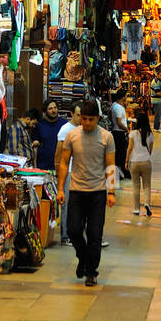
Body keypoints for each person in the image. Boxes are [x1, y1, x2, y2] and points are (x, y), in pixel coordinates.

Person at [57, 100, 116, 287]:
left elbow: (110, 165)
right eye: (83, 119)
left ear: (97, 118)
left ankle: (91, 272)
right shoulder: (72, 136)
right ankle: (83, 258)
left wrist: (111, 191)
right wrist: (60, 188)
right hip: (76, 190)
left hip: (98, 192)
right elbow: (64, 162)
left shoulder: (107, 137)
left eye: (91, 119)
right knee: (73, 230)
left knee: (95, 234)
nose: (87, 123)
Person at [55, 102, 83, 244]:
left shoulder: (83, 129)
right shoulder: (65, 130)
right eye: (78, 115)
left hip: (80, 172)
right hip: (68, 171)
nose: (80, 118)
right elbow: (58, 154)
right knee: (67, 204)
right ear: (72, 114)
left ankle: (77, 234)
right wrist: (58, 172)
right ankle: (65, 236)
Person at [127, 110, 154, 217]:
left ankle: (136, 209)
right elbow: (150, 151)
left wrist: (126, 160)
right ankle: (147, 203)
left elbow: (129, 148)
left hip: (134, 162)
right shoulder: (150, 135)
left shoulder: (133, 133)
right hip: (146, 161)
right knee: (147, 185)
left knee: (135, 186)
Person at [35, 97, 62, 169]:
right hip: (43, 165)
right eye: (50, 109)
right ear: (45, 111)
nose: (53, 110)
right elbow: (35, 141)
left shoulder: (64, 124)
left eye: (55, 108)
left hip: (60, 164)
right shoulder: (39, 125)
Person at [110, 87, 129, 178]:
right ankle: (123, 172)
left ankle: (119, 173)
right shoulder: (119, 108)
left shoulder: (114, 105)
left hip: (116, 132)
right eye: (126, 96)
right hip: (119, 133)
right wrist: (127, 129)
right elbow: (119, 122)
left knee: (118, 154)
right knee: (121, 154)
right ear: (123, 97)